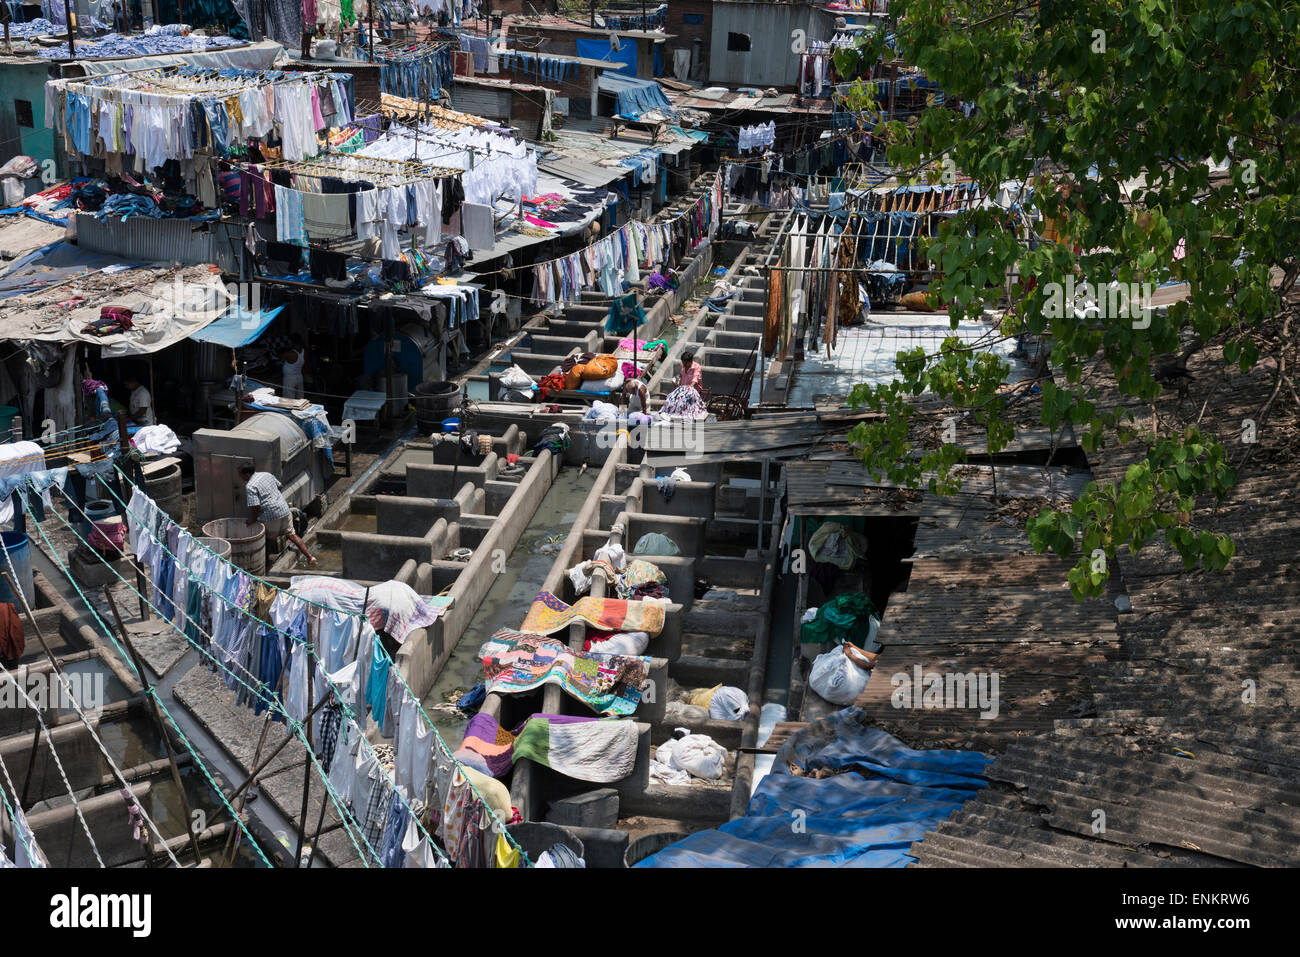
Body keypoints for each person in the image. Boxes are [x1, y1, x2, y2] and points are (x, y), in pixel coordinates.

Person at [238, 464, 317, 566]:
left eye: (240, 474)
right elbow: (280, 486)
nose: (240, 477)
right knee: (292, 535)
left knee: (264, 538)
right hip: (284, 509)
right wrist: (275, 497)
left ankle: (264, 565)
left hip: (271, 515)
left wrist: (253, 520)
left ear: (247, 474)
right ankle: (310, 557)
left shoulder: (250, 486)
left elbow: (255, 506)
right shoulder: (266, 474)